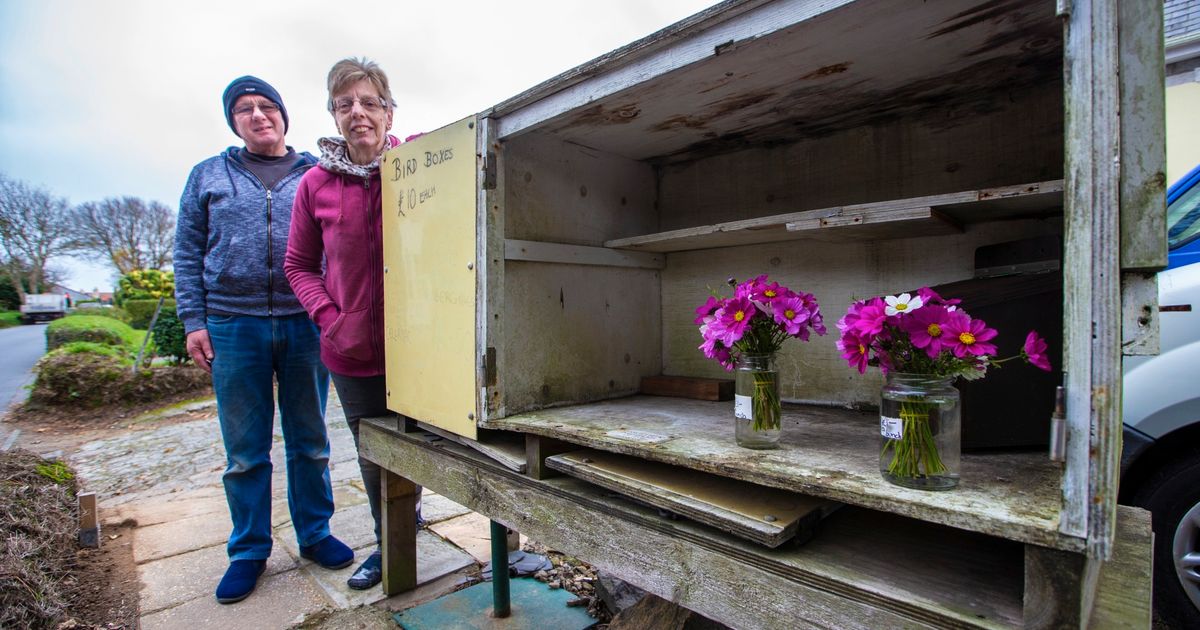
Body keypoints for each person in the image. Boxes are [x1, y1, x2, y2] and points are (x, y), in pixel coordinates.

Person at [175, 75, 354, 605]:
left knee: (311, 440)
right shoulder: (208, 175)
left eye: (266, 106)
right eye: (244, 109)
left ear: (283, 115)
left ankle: (315, 535)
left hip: (305, 322)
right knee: (245, 451)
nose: (257, 116)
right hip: (233, 325)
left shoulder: (317, 173)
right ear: (233, 121)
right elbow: (186, 251)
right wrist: (194, 321)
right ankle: (249, 550)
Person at [285, 57, 422, 591]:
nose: (357, 113)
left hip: (421, 348)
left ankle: (500, 546)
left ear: (389, 112)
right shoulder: (314, 185)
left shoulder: (417, 166)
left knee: (452, 447)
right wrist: (329, 317)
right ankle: (391, 546)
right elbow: (298, 265)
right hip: (352, 352)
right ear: (334, 116)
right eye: (345, 105)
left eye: (369, 102)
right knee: (375, 456)